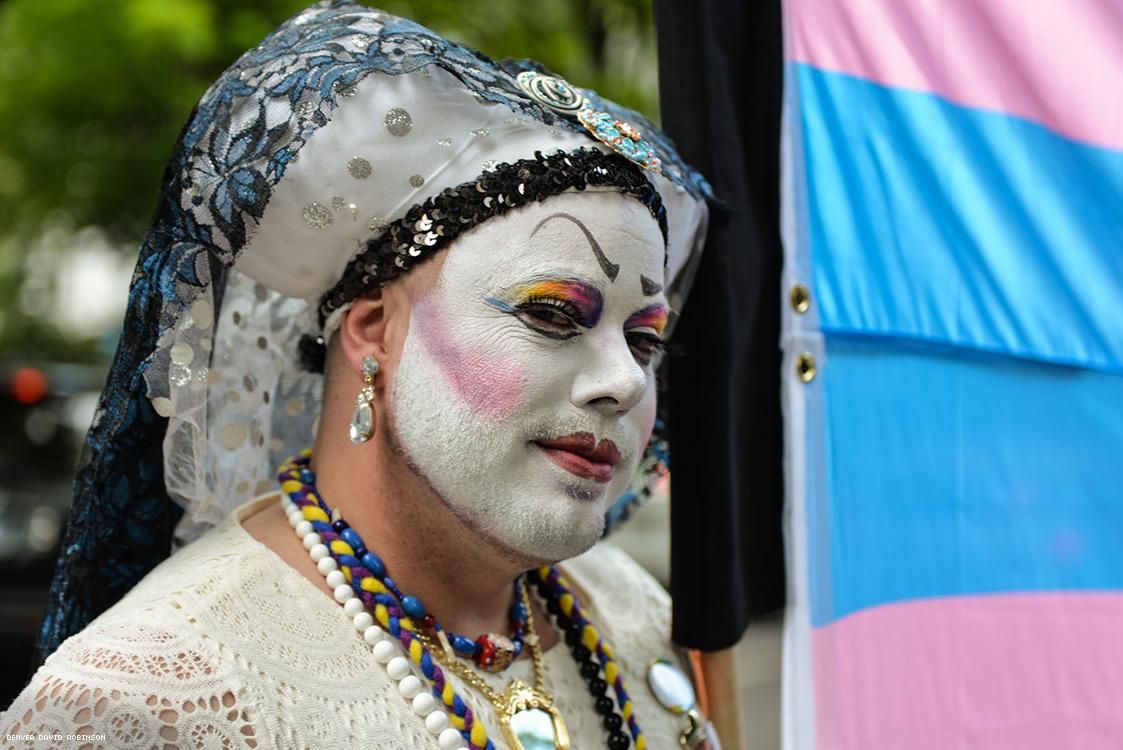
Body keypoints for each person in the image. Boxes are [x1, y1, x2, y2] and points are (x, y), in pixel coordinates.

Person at [2, 2, 715, 748]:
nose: (624, 383)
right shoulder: (153, 698)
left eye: (644, 341)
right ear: (374, 332)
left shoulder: (627, 610)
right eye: (553, 315)